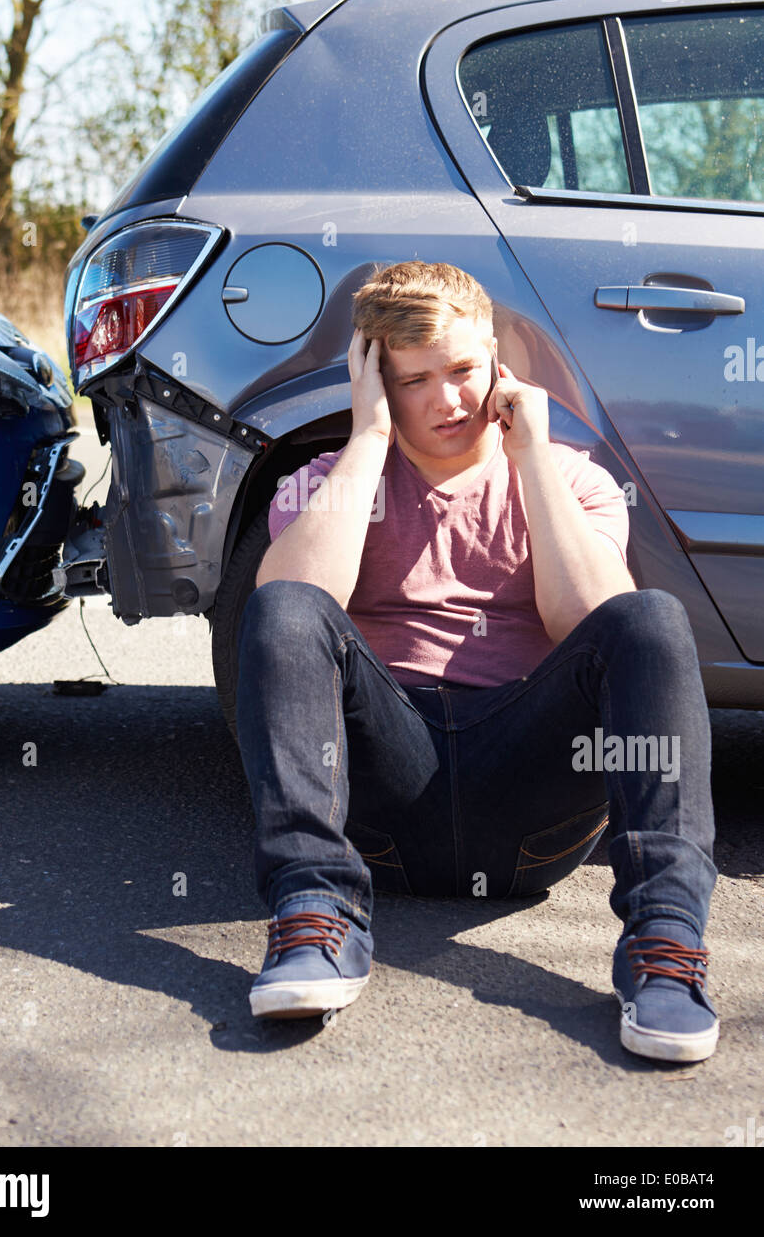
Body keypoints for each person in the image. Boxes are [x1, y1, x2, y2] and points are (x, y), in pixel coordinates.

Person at [235, 260, 718, 1062]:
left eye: (462, 370)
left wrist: (530, 457)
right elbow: (288, 614)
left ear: (497, 361)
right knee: (282, 599)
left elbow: (590, 622)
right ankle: (315, 913)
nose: (448, 400)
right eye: (415, 379)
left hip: (532, 812)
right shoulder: (324, 483)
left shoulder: (573, 481)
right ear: (377, 379)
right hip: (385, 807)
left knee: (652, 619)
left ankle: (664, 951)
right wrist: (368, 439)